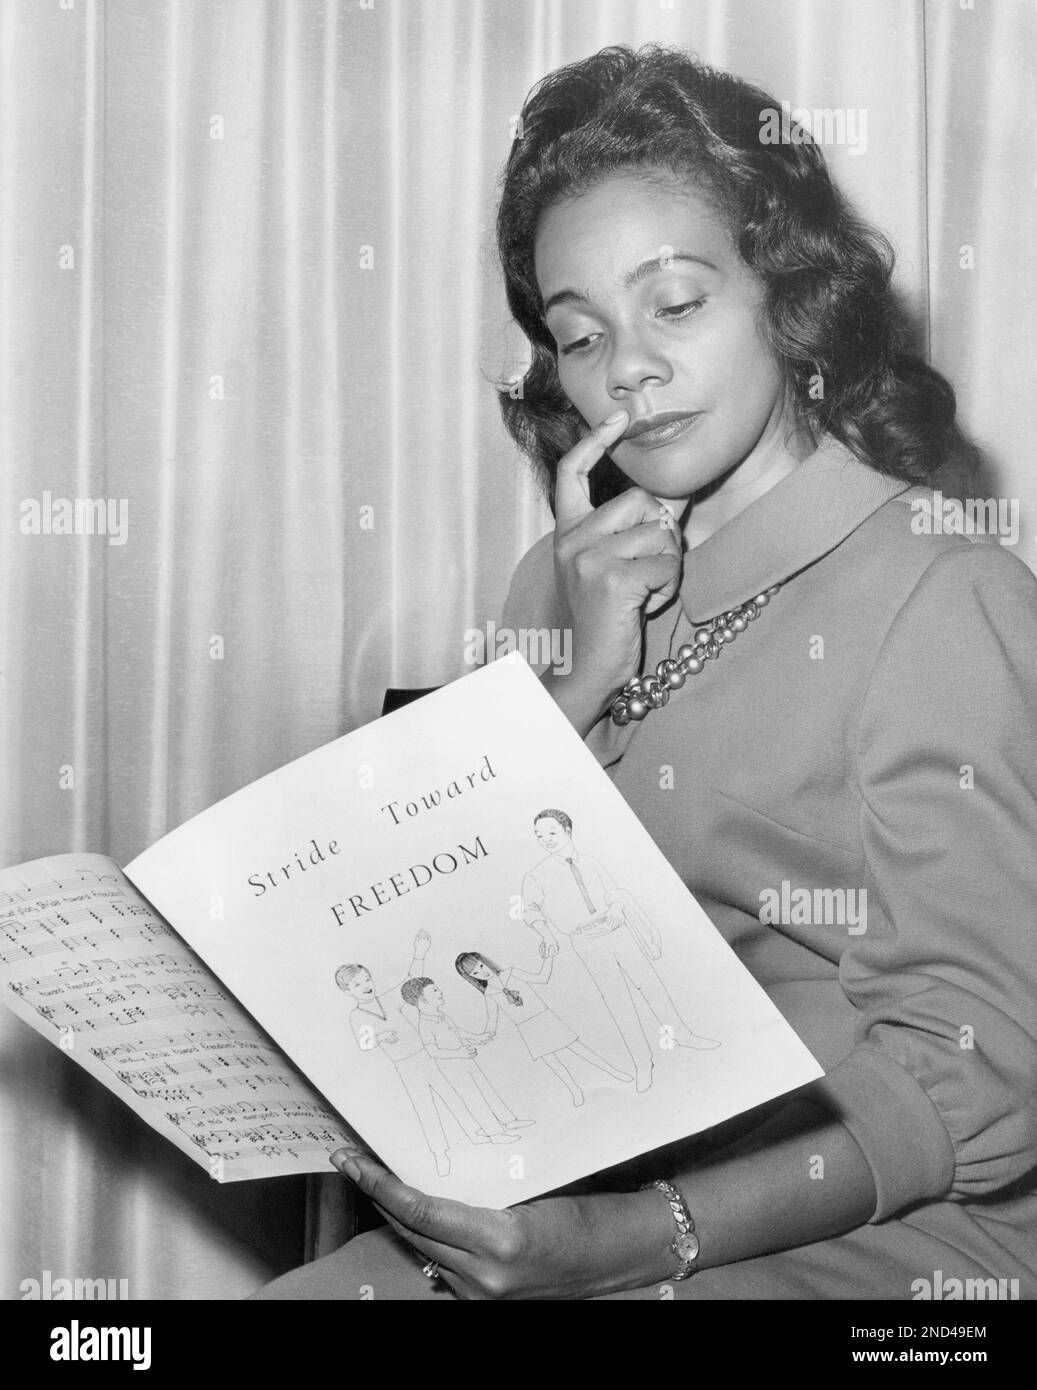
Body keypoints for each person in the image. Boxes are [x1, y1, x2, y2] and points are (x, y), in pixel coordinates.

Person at [254, 44, 1037, 1301]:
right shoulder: (551, 580)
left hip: (887, 1229)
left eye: (674, 304)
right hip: (596, 1178)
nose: (626, 366)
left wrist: (634, 1239)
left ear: (787, 296)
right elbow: (454, 959)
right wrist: (573, 685)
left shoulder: (945, 595)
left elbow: (981, 1080)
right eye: (578, 333)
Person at [521, 808, 718, 1088]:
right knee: (618, 1001)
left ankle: (683, 1035)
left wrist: (615, 907)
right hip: (585, 941)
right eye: (540, 836)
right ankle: (642, 1061)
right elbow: (529, 910)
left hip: (617, 931)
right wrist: (545, 934)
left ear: (567, 830)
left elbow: (614, 891)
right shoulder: (536, 876)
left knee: (651, 985)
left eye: (552, 832)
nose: (546, 839)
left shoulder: (591, 862)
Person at [335, 932, 495, 1177]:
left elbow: (409, 980)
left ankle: (476, 1133)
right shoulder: (356, 1016)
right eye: (357, 985)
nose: (366, 985)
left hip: (425, 1055)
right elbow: (364, 1044)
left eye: (366, 979)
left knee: (451, 1095)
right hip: (405, 1066)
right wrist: (380, 1038)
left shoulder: (388, 998)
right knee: (425, 1108)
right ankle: (440, 1154)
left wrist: (419, 953)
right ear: (347, 992)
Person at [455, 949, 632, 1105]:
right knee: (554, 1063)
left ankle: (613, 1072)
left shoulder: (511, 973)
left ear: (485, 962)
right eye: (476, 972)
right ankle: (575, 1090)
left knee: (579, 1049)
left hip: (544, 1017)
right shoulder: (489, 994)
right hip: (528, 1029)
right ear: (473, 978)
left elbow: (542, 978)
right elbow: (492, 1022)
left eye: (481, 965)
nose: (482, 972)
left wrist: (548, 959)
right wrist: (481, 1037)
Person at [400, 976, 528, 1144]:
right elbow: (433, 1051)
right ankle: (493, 1132)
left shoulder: (441, 1015)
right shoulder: (425, 1025)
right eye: (435, 991)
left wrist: (477, 1037)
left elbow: (457, 1031)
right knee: (474, 1098)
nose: (441, 992)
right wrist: (459, 1052)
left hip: (466, 1060)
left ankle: (508, 1120)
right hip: (453, 1068)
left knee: (486, 1090)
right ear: (422, 1000)